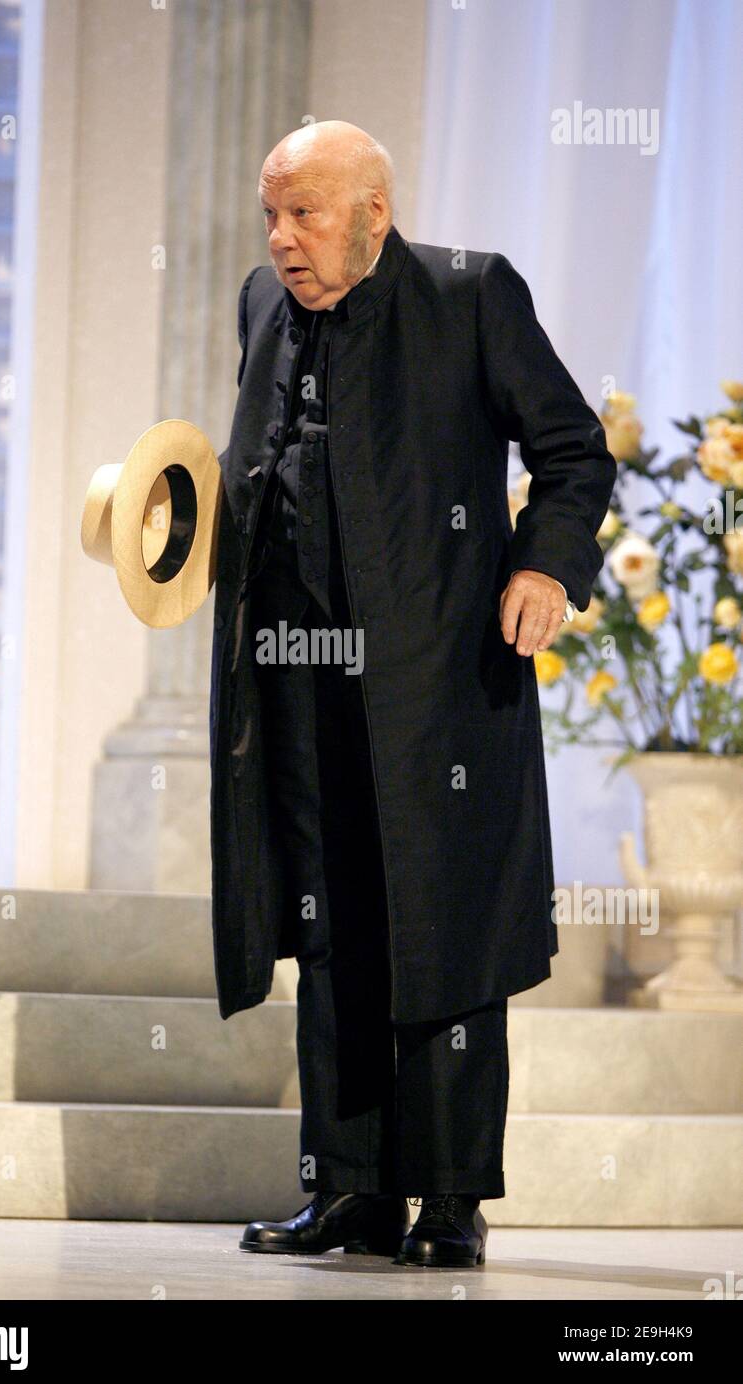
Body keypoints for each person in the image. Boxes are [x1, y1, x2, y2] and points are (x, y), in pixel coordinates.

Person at [208, 120, 617, 1267]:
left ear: (374, 213)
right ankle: (344, 1191)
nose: (283, 240)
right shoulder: (259, 303)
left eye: (307, 214)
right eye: (272, 215)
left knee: (438, 932)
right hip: (299, 683)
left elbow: (573, 450)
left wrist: (544, 562)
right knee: (326, 924)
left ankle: (444, 1201)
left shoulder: (468, 296)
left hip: (438, 687)